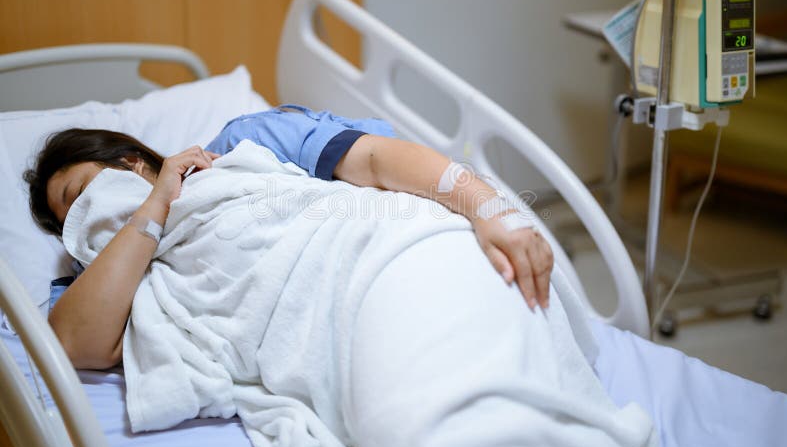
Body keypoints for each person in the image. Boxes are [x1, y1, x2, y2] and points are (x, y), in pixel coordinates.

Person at [24, 105, 553, 370]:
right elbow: (76, 345)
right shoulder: (103, 277)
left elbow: (374, 158)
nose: (84, 218)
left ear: (129, 162)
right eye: (69, 222)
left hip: (383, 254)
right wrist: (153, 209)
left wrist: (490, 208)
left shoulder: (241, 144)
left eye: (80, 194)